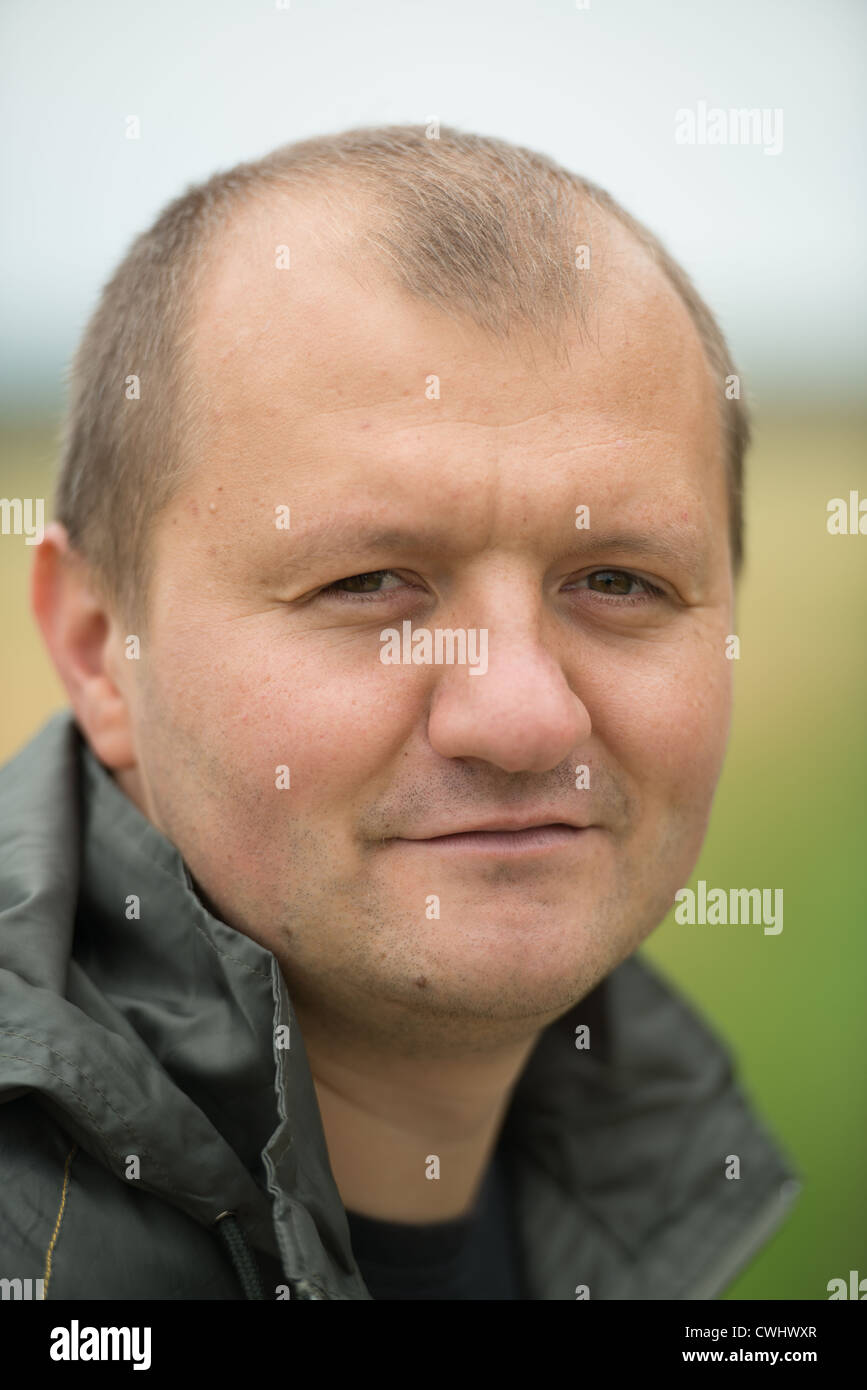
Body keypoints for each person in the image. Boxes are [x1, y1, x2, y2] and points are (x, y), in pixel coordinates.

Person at [0, 124, 799, 1300]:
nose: (523, 717)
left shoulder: (642, 1173)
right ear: (98, 650)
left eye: (617, 582)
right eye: (370, 583)